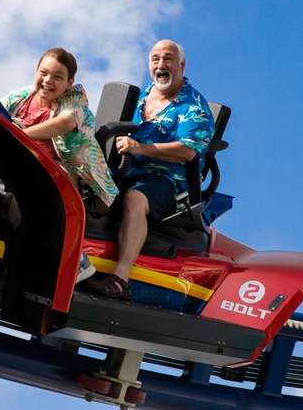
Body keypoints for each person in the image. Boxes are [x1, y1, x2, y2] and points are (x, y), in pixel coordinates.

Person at [87, 40, 214, 299]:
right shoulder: (143, 95)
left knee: (135, 199)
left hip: (167, 179)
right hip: (125, 169)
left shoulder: (193, 106)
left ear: (181, 64)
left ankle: (120, 280)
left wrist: (141, 149)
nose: (160, 65)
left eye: (167, 59)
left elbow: (187, 151)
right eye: (155, 59)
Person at [1, 48, 118, 283]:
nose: (47, 81)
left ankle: (77, 260)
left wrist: (20, 135)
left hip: (66, 166)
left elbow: (64, 123)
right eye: (43, 73)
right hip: (22, 162)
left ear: (69, 82)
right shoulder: (21, 97)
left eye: (57, 76)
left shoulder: (75, 100)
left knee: (45, 185)